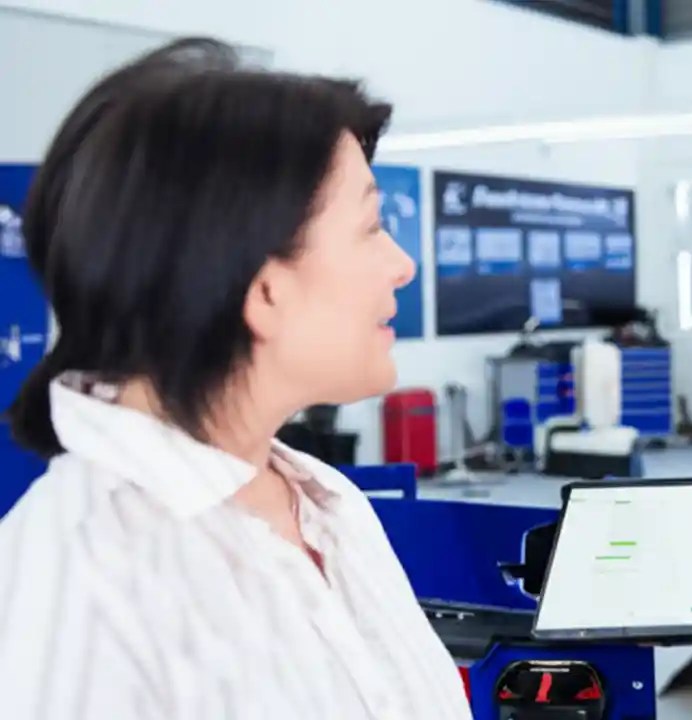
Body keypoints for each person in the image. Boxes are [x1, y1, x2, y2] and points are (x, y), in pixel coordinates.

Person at [0, 39, 471, 719]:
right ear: (264, 288)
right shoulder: (77, 585)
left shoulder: (326, 504)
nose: (402, 266)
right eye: (371, 227)